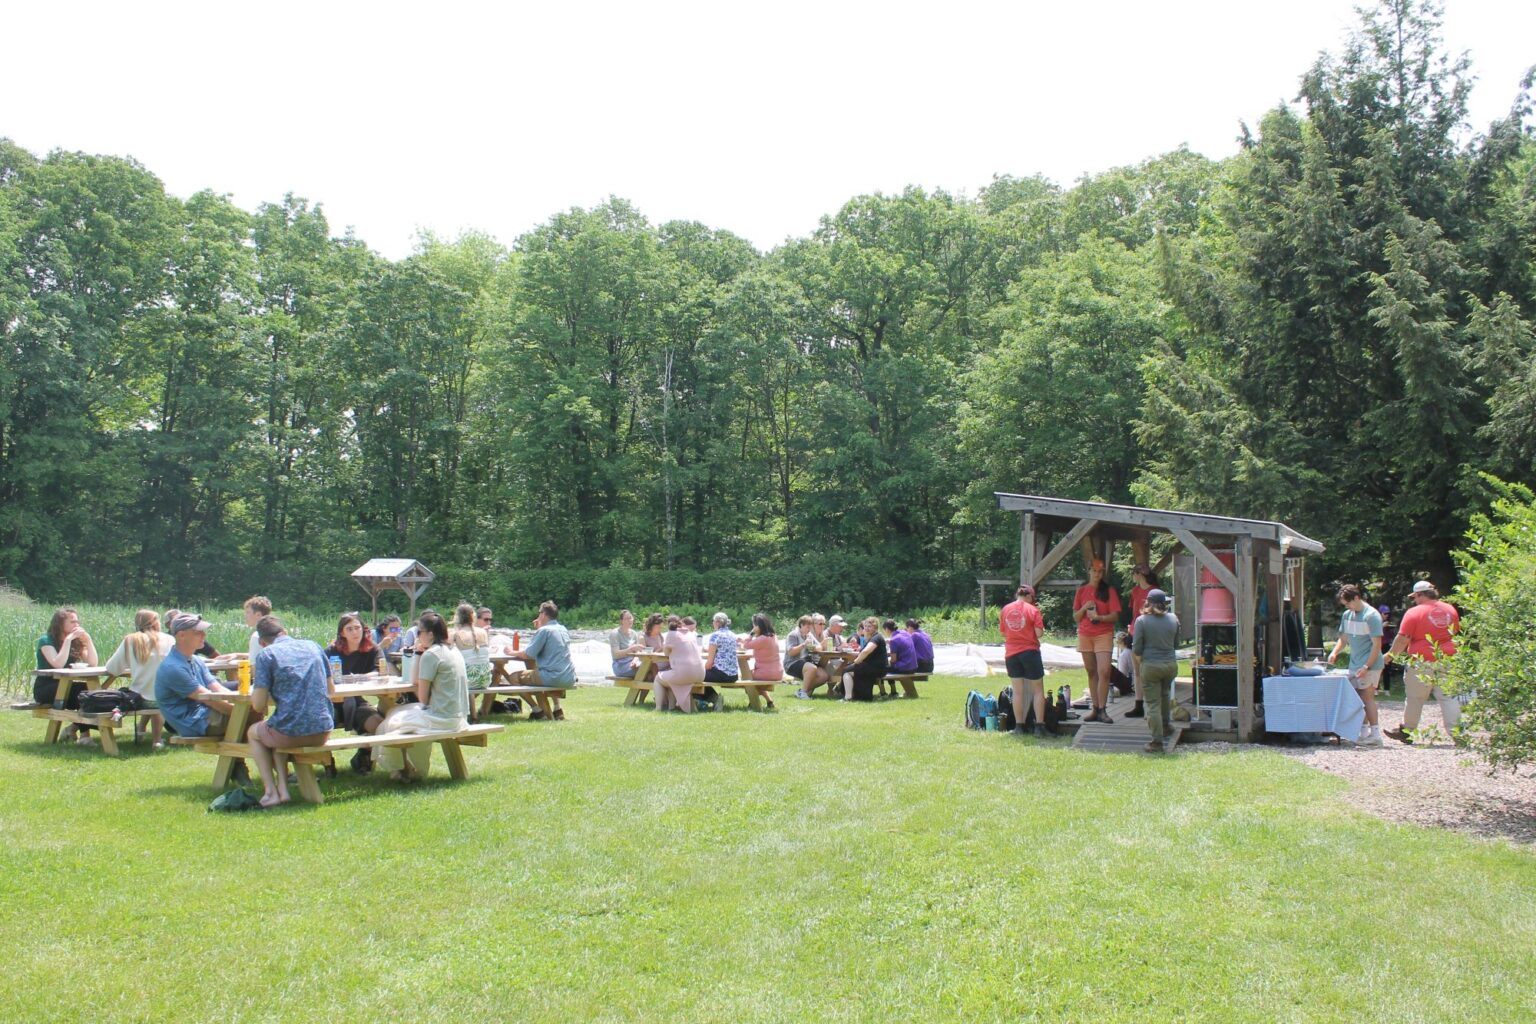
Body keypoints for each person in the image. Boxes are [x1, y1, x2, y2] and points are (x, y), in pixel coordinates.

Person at [246, 615, 334, 807]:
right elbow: (331, 690)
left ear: (262, 642)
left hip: (290, 734)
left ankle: (271, 791)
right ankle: (283, 789)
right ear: (284, 632)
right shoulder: (313, 646)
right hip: (322, 730)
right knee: (275, 725)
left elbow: (258, 705)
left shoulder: (266, 655)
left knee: (254, 732)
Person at [373, 610, 471, 782]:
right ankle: (405, 768)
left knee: (391, 722)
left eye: (419, 632)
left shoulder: (432, 654)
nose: (417, 636)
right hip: (459, 717)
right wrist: (419, 652)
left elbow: (422, 698)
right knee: (394, 712)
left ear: (430, 634)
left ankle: (402, 769)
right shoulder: (453, 650)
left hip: (441, 719)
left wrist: (419, 654)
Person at [1383, 581, 1461, 744]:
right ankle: (1458, 734)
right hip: (1448, 659)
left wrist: (1389, 656)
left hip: (1421, 661)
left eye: (1415, 597)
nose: (1415, 600)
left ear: (1420, 594)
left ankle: (1408, 731)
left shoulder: (1414, 613)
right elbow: (1454, 632)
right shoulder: (1450, 610)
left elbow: (1403, 639)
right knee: (1448, 697)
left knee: (1415, 698)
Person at [154, 614, 239, 746]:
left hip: (206, 714)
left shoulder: (196, 660)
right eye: (198, 632)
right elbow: (209, 699)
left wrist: (242, 703)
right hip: (195, 723)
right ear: (181, 635)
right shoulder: (173, 668)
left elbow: (217, 688)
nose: (204, 635)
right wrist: (241, 711)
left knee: (255, 721)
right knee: (252, 724)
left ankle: (243, 758)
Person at [102, 609, 173, 747]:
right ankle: (156, 740)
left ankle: (144, 732)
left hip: (139, 700)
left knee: (146, 692)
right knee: (156, 693)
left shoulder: (131, 640)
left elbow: (112, 668)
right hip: (166, 698)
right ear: (156, 623)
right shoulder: (169, 639)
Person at [1326, 584, 1385, 746]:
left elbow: (1377, 645)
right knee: (1358, 698)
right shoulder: (1347, 615)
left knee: (1367, 697)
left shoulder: (1371, 616)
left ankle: (1375, 734)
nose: (1347, 607)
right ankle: (1363, 732)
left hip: (1370, 664)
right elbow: (1343, 639)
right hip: (1355, 664)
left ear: (1357, 598)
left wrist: (1366, 666)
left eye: (1348, 603)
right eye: (1345, 604)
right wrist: (1335, 652)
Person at [505, 601, 574, 721]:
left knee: (513, 677)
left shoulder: (544, 631)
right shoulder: (563, 629)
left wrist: (511, 652)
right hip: (569, 676)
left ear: (543, 614)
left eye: (539, 612)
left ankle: (537, 711)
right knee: (539, 673)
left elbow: (528, 654)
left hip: (552, 676)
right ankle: (557, 709)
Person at [1132, 589, 1180, 753]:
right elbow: (1176, 644)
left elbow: (1137, 648)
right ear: (1164, 603)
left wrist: (1142, 660)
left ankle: (1156, 742)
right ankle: (1166, 727)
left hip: (1151, 665)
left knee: (1153, 704)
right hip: (1170, 666)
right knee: (1165, 695)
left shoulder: (1141, 621)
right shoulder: (1174, 619)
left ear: (1148, 603)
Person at [1073, 560, 1122, 723]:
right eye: (1094, 570)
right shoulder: (1081, 590)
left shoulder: (1109, 591)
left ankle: (1102, 709)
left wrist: (1099, 617)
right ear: (1089, 571)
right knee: (1091, 671)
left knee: (1104, 671)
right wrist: (1084, 607)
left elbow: (1115, 616)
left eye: (1100, 571)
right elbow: (1076, 617)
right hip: (1085, 634)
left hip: (1103, 634)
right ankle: (1095, 709)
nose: (1097, 574)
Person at [35, 608, 99, 723]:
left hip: (66, 685)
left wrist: (88, 640)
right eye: (72, 622)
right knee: (83, 694)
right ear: (60, 624)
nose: (77, 625)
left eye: (77, 622)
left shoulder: (76, 642)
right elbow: (58, 664)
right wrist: (68, 640)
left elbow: (93, 663)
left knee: (91, 692)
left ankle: (75, 728)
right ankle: (82, 731)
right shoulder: (46, 641)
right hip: (46, 687)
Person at [1001, 585, 1048, 738]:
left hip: (1011, 654)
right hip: (1030, 652)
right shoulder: (1033, 610)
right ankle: (1039, 727)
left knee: (1017, 691)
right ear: (1029, 596)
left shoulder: (1005, 609)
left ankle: (1019, 726)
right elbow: (1039, 633)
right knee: (1038, 690)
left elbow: (1003, 633)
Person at [1124, 564, 1160, 715]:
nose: (1132, 575)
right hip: (1134, 632)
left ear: (1140, 574)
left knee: (1149, 670)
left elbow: (1159, 614)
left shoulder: (1154, 591)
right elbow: (1132, 613)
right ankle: (1138, 705)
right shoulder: (1135, 591)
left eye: (1134, 573)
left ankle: (1153, 705)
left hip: (1149, 633)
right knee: (1137, 671)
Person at [655, 615, 705, 712]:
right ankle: (672, 707)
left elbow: (666, 653)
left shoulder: (671, 634)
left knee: (658, 679)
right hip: (700, 674)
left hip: (684, 674)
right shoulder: (691, 633)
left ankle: (658, 707)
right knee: (672, 677)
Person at [841, 617, 888, 701]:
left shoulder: (876, 637)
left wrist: (856, 661)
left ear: (875, 627)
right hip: (874, 667)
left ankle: (848, 697)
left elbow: (866, 651)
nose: (866, 628)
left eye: (869, 626)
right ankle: (853, 694)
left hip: (876, 668)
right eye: (865, 626)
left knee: (846, 671)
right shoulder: (872, 637)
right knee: (849, 669)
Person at [741, 613, 782, 709]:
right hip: (777, 672)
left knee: (746, 677)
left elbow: (746, 645)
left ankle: (753, 701)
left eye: (754, 626)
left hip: (766, 673)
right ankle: (769, 701)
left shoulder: (763, 639)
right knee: (751, 679)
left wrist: (751, 633)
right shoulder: (773, 636)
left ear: (758, 626)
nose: (753, 628)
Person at [449, 602, 491, 689]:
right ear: (473, 616)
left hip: (466, 681)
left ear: (457, 617)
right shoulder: (483, 632)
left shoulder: (455, 634)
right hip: (485, 680)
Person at [325, 612, 379, 677]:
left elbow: (380, 671)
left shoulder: (373, 648)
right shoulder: (331, 651)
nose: (354, 632)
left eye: (357, 628)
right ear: (342, 633)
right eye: (349, 629)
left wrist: (359, 678)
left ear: (363, 629)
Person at [703, 613, 740, 684]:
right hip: (734, 676)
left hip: (720, 674)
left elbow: (709, 663)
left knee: (694, 676)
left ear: (717, 622)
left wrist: (702, 670)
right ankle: (710, 692)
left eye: (713, 621)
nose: (712, 623)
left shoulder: (715, 635)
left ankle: (710, 692)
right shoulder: (733, 635)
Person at [609, 609, 644, 679]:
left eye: (630, 618)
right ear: (621, 621)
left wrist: (635, 660)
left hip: (633, 663)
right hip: (620, 665)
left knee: (651, 668)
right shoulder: (615, 634)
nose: (629, 620)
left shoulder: (634, 633)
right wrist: (631, 649)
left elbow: (637, 652)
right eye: (626, 619)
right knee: (646, 669)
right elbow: (615, 655)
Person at [886, 619, 919, 691]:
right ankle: (893, 691)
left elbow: (893, 660)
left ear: (887, 629)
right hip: (913, 667)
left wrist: (889, 662)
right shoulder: (904, 633)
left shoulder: (893, 640)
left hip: (904, 668)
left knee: (882, 668)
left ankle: (891, 691)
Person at [1112, 631, 1140, 714]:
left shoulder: (1124, 655)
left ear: (1118, 642)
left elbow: (1122, 674)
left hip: (1129, 686)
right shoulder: (1132, 652)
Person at [242, 595, 272, 661]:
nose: (245, 616)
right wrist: (237, 655)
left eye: (248, 612)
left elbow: (253, 665)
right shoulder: (276, 632)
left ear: (258, 615)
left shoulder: (257, 636)